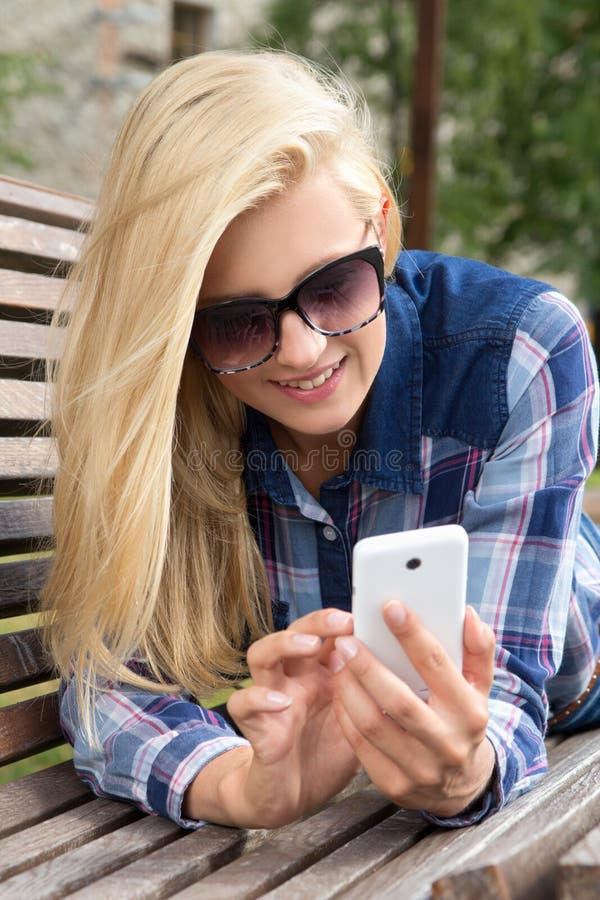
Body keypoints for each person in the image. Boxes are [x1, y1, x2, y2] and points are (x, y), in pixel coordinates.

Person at [42, 49, 600, 831]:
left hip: (574, 677)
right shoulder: (164, 405)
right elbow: (107, 688)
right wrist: (240, 783)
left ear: (378, 218)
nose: (303, 353)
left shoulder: (519, 350)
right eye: (238, 322)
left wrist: (465, 772)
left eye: (335, 287)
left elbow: (508, 688)